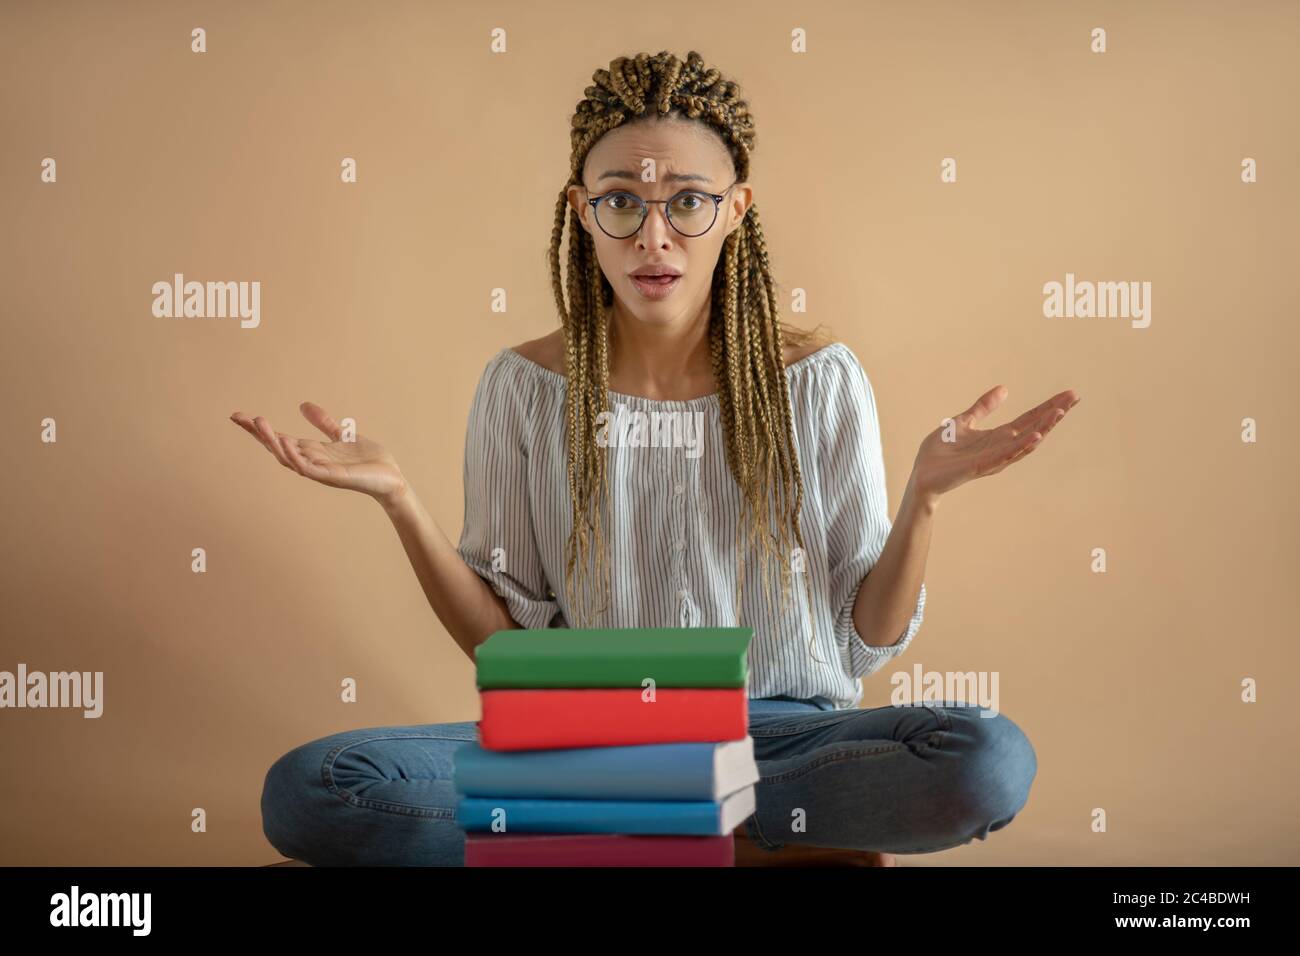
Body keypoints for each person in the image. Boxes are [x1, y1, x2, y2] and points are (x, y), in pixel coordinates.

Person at [233, 50, 1080, 867]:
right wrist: (399, 503)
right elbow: (505, 648)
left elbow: (866, 640)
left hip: (784, 738)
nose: (653, 234)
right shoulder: (521, 388)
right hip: (596, 744)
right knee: (318, 790)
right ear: (580, 209)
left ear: (736, 209)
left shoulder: (820, 381)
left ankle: (628, 842)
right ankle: (752, 846)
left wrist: (923, 502)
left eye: (686, 200)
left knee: (984, 759)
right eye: (622, 201)